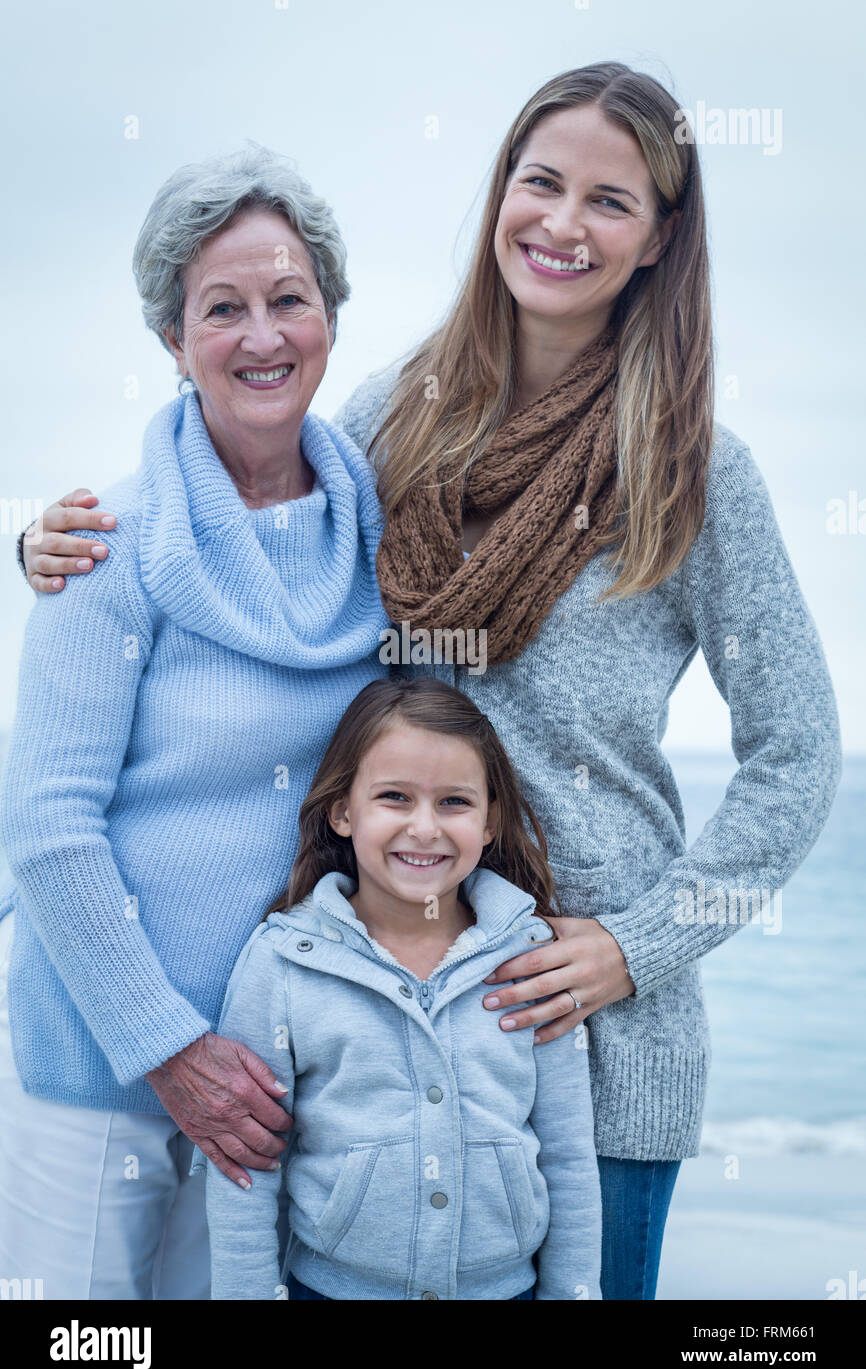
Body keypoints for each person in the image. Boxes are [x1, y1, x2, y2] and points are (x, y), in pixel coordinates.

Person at [12, 63, 842, 1300]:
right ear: (499, 189)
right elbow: (243, 514)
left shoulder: (692, 469)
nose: (561, 224)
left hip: (584, 1035)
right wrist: (48, 542)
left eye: (609, 201)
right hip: (360, 1033)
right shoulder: (395, 420)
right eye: (539, 181)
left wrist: (640, 946)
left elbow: (798, 755)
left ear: (661, 236)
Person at [0, 143, 392, 1299]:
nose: (262, 336)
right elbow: (49, 826)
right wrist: (167, 1049)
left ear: (330, 316)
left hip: (281, 1074)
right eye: (222, 308)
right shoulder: (104, 545)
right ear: (172, 341)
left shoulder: (383, 544)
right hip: (99, 1061)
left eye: (289, 299)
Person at [199, 675, 602, 1301]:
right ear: (342, 811)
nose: (424, 828)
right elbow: (246, 1162)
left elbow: (570, 1159)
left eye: (454, 803)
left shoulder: (532, 959)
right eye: (394, 797)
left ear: (491, 821)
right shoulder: (284, 961)